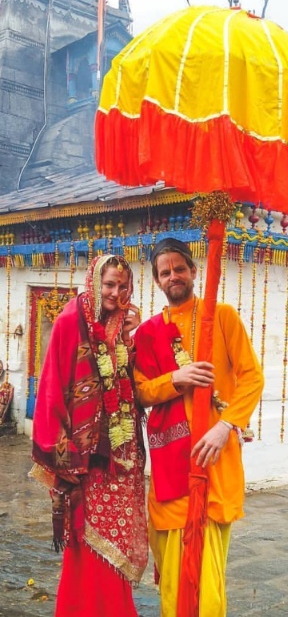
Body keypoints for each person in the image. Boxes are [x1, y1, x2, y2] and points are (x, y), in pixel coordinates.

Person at [132, 237, 264, 616]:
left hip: (213, 461)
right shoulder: (148, 333)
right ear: (157, 280)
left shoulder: (221, 316)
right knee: (174, 573)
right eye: (164, 271)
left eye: (179, 268)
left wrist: (226, 426)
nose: (173, 275)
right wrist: (177, 378)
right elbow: (140, 392)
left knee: (206, 575)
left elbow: (252, 378)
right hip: (170, 466)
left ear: (193, 270)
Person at [30, 254, 147, 616]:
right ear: (95, 283)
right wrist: (61, 454)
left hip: (121, 458)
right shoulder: (70, 320)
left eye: (122, 286)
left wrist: (129, 334)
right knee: (88, 544)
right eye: (109, 284)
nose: (115, 292)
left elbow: (129, 384)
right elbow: (51, 386)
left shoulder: (119, 323)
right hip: (85, 460)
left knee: (116, 545)